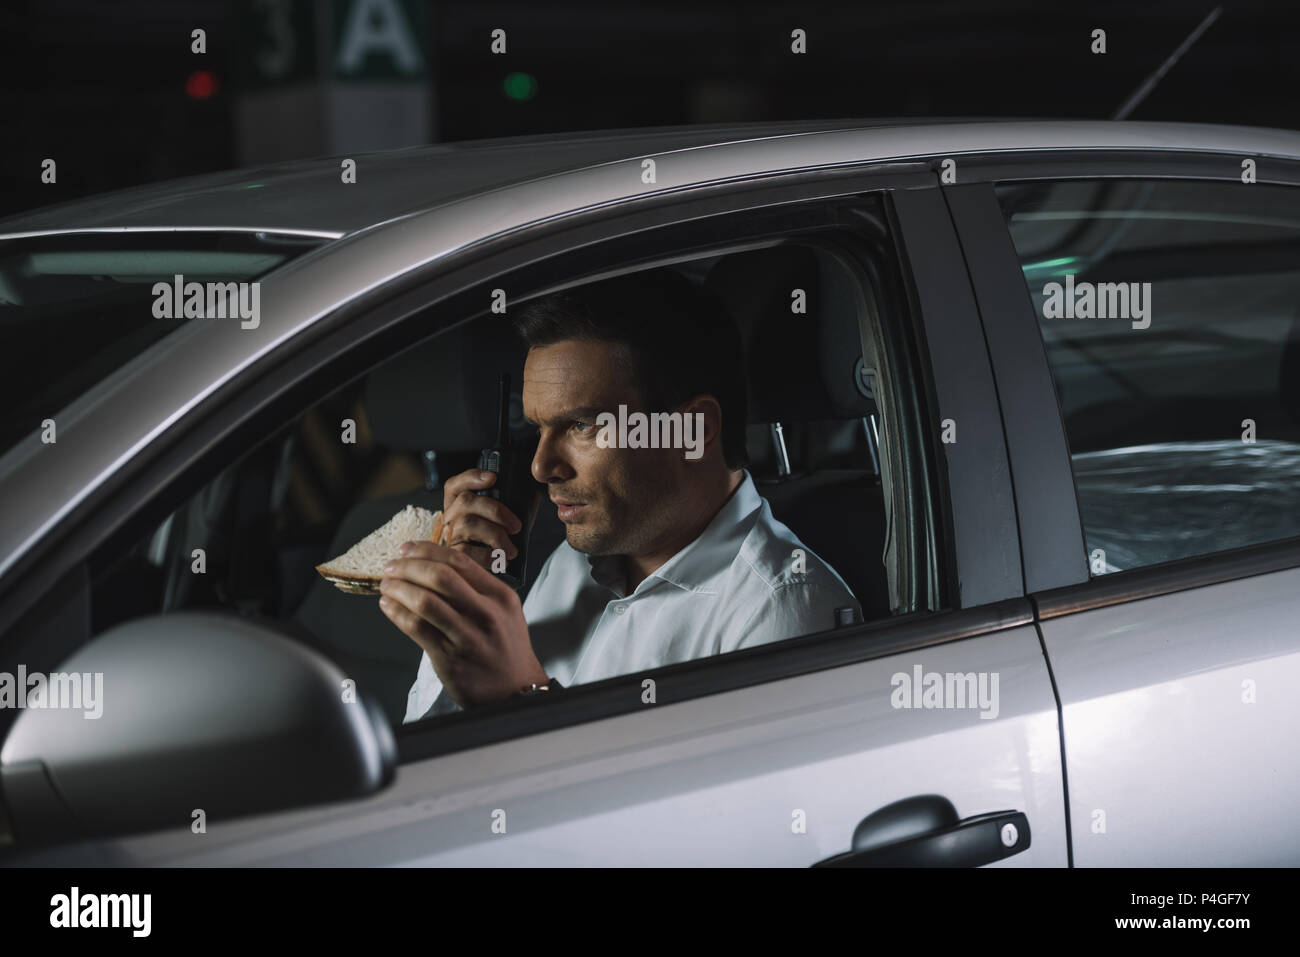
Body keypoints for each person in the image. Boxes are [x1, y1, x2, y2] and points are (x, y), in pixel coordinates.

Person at [381, 268, 860, 722]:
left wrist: (523, 697)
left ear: (695, 430)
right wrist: (463, 610)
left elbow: (707, 810)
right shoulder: (571, 562)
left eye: (582, 425)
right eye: (539, 429)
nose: (541, 466)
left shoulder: (784, 614)